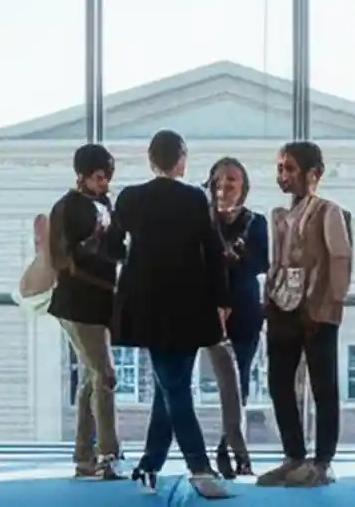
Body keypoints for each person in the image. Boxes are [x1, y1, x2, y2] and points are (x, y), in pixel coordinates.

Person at [111, 130, 231, 499]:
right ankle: (199, 466)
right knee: (175, 386)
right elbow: (213, 250)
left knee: (170, 386)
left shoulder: (129, 197)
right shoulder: (194, 197)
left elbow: (112, 247)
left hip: (146, 304)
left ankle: (149, 465)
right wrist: (222, 300)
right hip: (189, 304)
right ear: (181, 160)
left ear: (151, 160)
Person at [256, 141, 352, 489]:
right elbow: (277, 261)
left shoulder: (329, 212)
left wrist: (327, 308)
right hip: (282, 308)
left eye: (290, 168)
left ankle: (323, 462)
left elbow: (339, 260)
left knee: (323, 386)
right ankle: (293, 456)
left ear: (315, 173)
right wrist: (268, 297)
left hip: (317, 311)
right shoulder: (281, 216)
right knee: (279, 383)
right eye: (280, 168)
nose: (283, 175)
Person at [46, 144, 121, 480]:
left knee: (93, 378)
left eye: (107, 177)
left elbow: (113, 248)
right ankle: (107, 455)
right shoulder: (66, 208)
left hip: (97, 302)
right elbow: (66, 260)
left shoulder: (102, 203)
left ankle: (85, 456)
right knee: (104, 376)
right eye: (100, 177)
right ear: (83, 176)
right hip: (79, 303)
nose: (105, 183)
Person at [203, 157, 269, 480]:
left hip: (243, 311)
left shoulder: (256, 222)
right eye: (219, 179)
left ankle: (230, 448)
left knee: (238, 381)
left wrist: (236, 258)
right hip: (204, 310)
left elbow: (262, 263)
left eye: (232, 180)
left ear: (242, 187)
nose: (224, 185)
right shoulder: (202, 220)